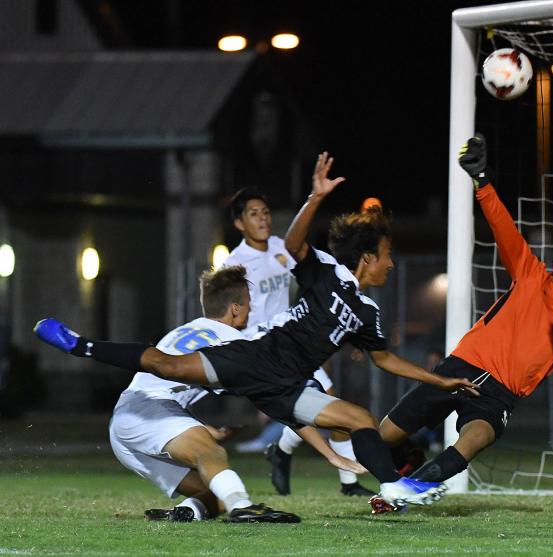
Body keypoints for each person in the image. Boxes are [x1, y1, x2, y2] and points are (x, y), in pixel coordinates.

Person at [34, 152, 479, 509]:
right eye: (385, 255)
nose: (391, 263)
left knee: (359, 418)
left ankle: (393, 488)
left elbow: (385, 359)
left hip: (286, 384)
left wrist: (438, 377)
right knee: (166, 365)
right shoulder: (326, 272)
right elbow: (293, 245)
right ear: (366, 258)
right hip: (258, 357)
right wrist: (315, 198)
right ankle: (80, 344)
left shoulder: (367, 312)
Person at [370, 134, 553, 513]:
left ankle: (405, 495)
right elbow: (503, 228)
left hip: (500, 395)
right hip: (460, 368)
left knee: (475, 437)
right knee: (385, 435)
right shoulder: (531, 275)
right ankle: (408, 465)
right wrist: (482, 181)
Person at [108, 265, 364, 523]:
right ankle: (243, 508)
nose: (251, 309)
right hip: (151, 410)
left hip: (124, 421)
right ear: (235, 308)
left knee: (218, 491)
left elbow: (166, 387)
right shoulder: (234, 343)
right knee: (213, 455)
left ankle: (188, 512)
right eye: (249, 303)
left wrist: (207, 429)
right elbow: (285, 404)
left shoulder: (185, 330)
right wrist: (329, 453)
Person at [222, 187, 372, 497]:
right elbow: (227, 311)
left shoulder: (281, 247)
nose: (262, 218)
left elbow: (313, 277)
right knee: (325, 408)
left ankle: (284, 451)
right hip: (265, 350)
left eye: (265, 212)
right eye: (253, 214)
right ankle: (347, 481)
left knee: (330, 408)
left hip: (295, 342)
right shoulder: (235, 263)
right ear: (239, 224)